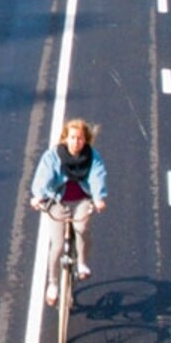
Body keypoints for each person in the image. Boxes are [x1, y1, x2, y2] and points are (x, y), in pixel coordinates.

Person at [27, 117, 110, 293]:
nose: (76, 142)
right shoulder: (53, 156)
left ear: (85, 140)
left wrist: (98, 198)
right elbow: (43, 177)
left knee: (82, 228)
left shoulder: (93, 158)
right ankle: (53, 283)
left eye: (80, 138)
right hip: (57, 199)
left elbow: (97, 177)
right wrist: (38, 197)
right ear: (65, 138)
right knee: (57, 245)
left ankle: (81, 263)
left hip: (81, 200)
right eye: (72, 137)